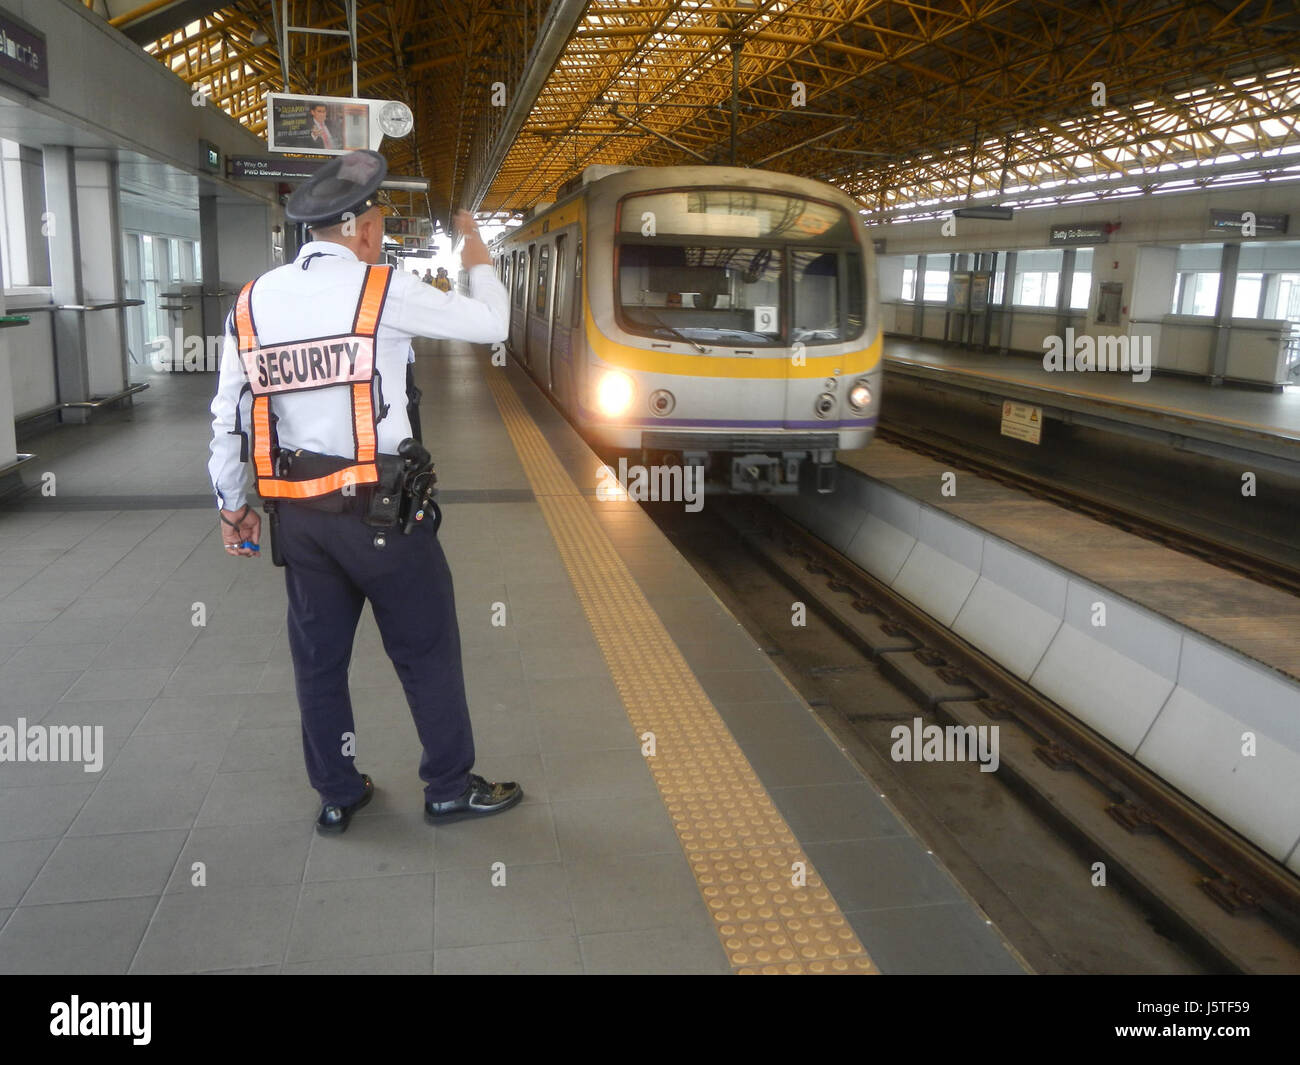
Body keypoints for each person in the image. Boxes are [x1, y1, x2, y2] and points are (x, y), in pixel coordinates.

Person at [207, 149, 522, 834]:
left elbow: (228, 415)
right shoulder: (382, 290)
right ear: (363, 232)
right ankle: (446, 785)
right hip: (385, 515)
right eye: (377, 223)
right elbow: (492, 323)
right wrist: (474, 249)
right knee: (426, 650)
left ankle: (338, 792)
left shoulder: (252, 302)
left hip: (299, 519)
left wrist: (232, 506)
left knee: (319, 664)